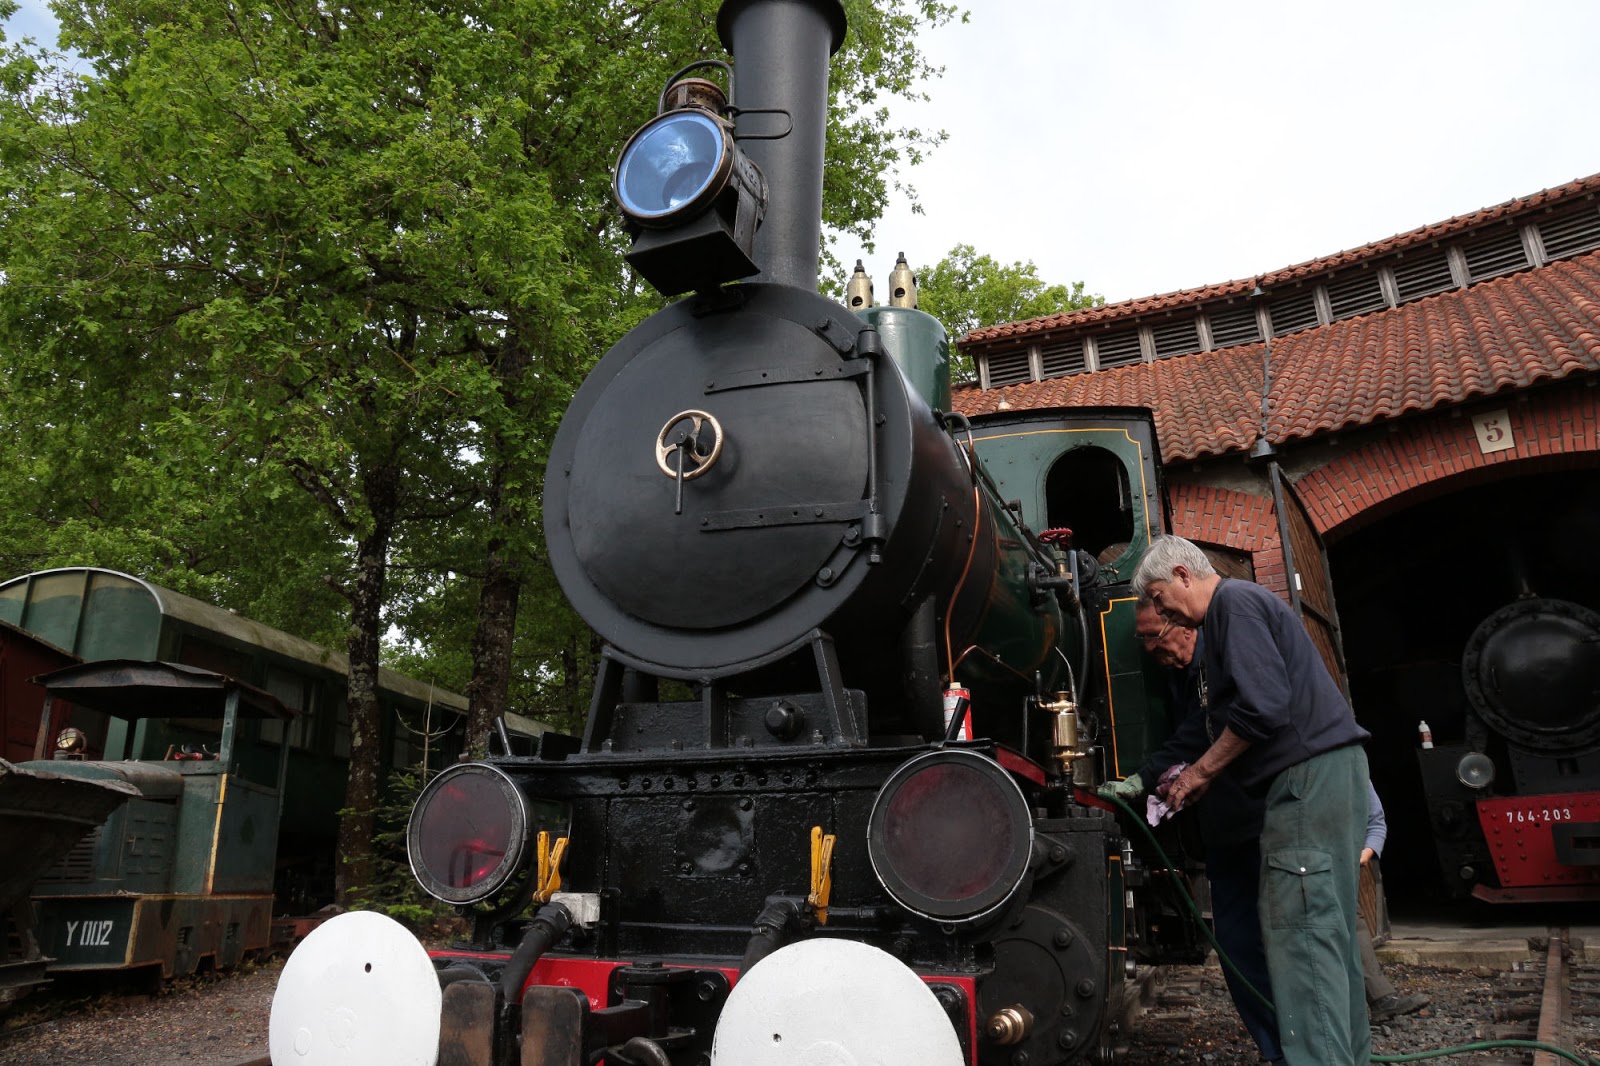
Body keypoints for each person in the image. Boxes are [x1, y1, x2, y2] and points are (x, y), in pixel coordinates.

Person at [1132, 535, 1373, 1066]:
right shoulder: (1235, 612)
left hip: (1305, 779)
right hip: (1321, 773)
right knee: (1327, 941)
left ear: (1181, 574)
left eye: (1159, 596)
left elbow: (1263, 710)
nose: (1162, 610)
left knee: (1301, 940)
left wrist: (1200, 773)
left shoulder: (1233, 604)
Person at [1102, 601, 1282, 1064]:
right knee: (1239, 945)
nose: (1147, 648)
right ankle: (1277, 1049)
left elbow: (1204, 731)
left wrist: (1143, 778)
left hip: (1259, 817)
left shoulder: (1217, 660)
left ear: (1182, 624)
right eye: (1142, 639)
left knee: (1278, 938)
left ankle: (1302, 1047)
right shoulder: (1180, 675)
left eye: (1150, 635)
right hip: (1224, 827)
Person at [1361, 784, 1430, 1021]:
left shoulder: (1354, 765)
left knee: (1351, 921)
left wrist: (1367, 851)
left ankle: (1380, 1000)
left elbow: (1376, 820)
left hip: (1334, 864)